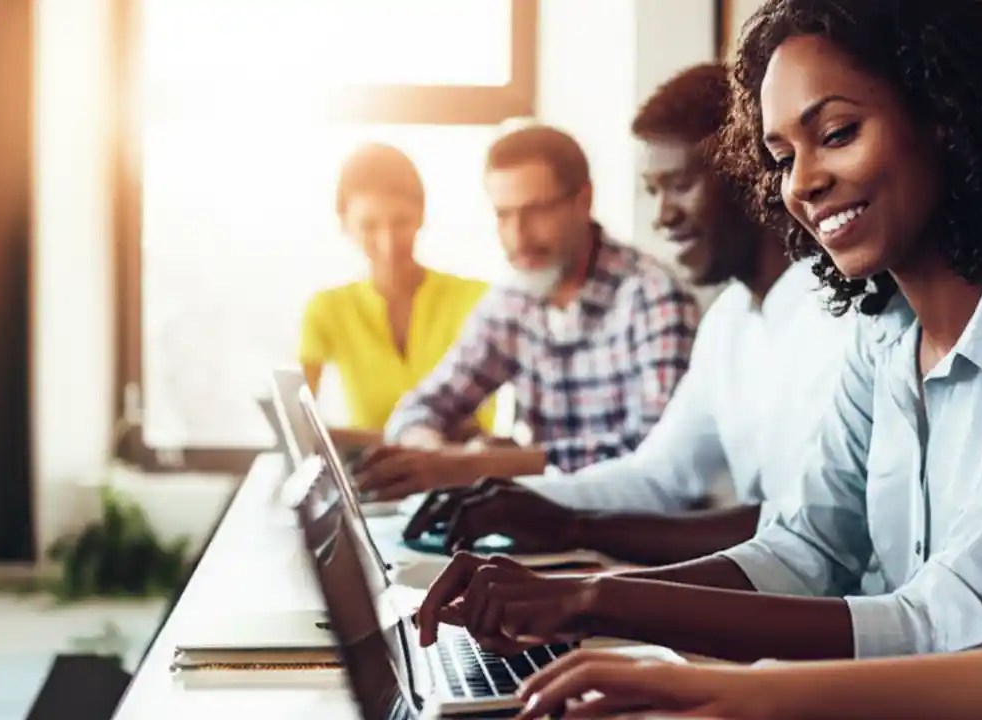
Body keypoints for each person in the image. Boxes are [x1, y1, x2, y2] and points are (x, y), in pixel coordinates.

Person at [514, 0, 982, 717]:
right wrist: (666, 643)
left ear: (943, 116)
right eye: (781, 157)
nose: (802, 184)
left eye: (837, 132)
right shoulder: (884, 338)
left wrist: (602, 600)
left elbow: (950, 620)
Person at [395, 63, 851, 565]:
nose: (663, 217)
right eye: (653, 191)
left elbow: (801, 527)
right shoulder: (730, 321)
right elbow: (658, 475)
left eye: (680, 184)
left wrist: (570, 525)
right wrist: (505, 494)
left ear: (752, 173)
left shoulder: (841, 315)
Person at [361, 124, 700, 494]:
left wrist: (480, 465)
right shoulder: (512, 301)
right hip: (543, 532)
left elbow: (656, 459)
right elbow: (421, 408)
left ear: (583, 200)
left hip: (639, 536)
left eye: (535, 211)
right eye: (503, 215)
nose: (517, 237)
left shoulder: (655, 299)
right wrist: (434, 455)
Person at [299, 143, 493, 438]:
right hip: (370, 477)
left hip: (463, 476)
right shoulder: (327, 309)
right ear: (344, 224)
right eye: (369, 225)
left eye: (401, 222)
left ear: (421, 216)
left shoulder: (477, 299)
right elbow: (299, 424)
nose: (388, 243)